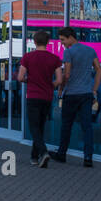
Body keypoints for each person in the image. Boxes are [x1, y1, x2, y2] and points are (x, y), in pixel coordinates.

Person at [53, 26, 101, 167]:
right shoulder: (90, 50)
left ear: (70, 37)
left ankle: (62, 154)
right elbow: (99, 69)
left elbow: (67, 74)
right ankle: (88, 158)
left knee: (66, 125)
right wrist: (94, 89)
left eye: (62, 40)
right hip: (86, 94)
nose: (62, 43)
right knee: (87, 126)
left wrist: (61, 88)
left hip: (72, 94)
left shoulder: (68, 52)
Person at [18, 30, 63, 167]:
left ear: (35, 41)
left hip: (33, 95)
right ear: (48, 42)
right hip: (47, 96)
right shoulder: (55, 59)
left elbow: (20, 77)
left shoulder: (28, 57)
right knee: (40, 126)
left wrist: (29, 81)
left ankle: (43, 152)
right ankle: (34, 157)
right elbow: (59, 80)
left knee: (33, 127)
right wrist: (51, 85)